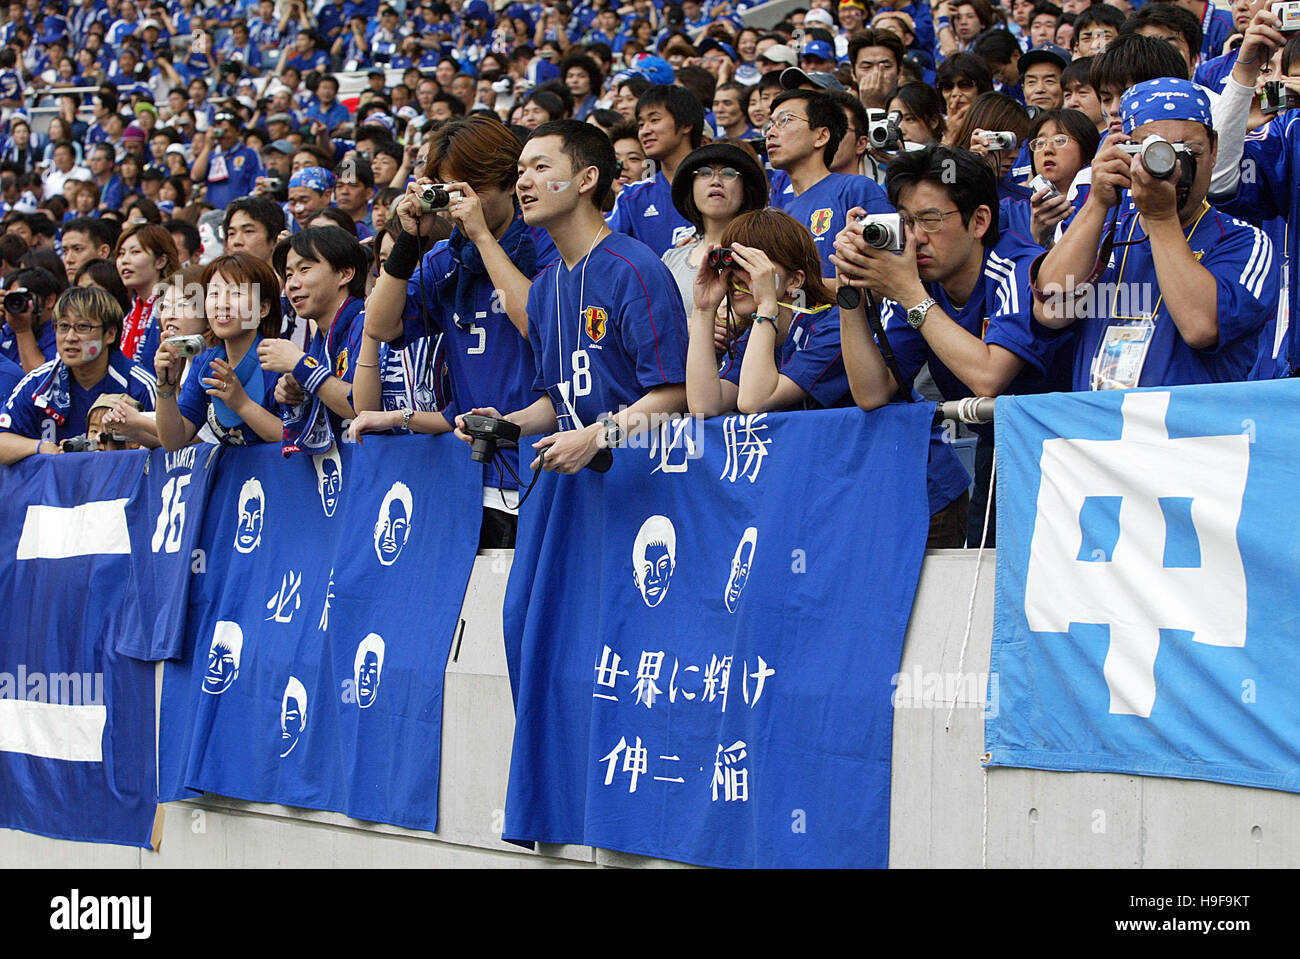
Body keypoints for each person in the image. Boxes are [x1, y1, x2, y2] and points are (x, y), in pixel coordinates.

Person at [833, 145, 1067, 544]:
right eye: (905, 222)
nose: (916, 238)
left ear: (979, 221)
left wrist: (908, 293)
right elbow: (871, 392)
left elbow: (989, 377)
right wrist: (850, 290)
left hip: (1063, 451)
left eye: (930, 219)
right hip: (998, 450)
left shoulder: (1021, 266)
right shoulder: (919, 284)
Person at [454, 120, 688, 474]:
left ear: (586, 179)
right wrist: (508, 424)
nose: (523, 182)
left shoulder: (634, 267)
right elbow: (562, 399)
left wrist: (597, 437)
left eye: (541, 167)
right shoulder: (546, 285)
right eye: (520, 171)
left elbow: (675, 394)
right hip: (581, 487)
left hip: (646, 479)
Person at [364, 115, 544, 546]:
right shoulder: (447, 256)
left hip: (543, 463)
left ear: (507, 180)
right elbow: (380, 325)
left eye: (473, 187)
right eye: (450, 188)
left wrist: (483, 235)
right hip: (471, 470)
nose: (463, 203)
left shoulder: (545, 243)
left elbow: (538, 325)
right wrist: (410, 240)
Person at [1032, 78, 1278, 390]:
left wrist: (1160, 215)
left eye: (1190, 151)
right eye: (1154, 151)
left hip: (1190, 435)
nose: (1172, 167)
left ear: (1214, 150)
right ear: (1125, 151)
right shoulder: (1103, 231)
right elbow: (1051, 309)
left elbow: (1201, 327)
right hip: (1100, 433)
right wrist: (1096, 202)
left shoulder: (1244, 242)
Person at [686, 208, 851, 418]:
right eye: (733, 263)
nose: (737, 277)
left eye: (751, 264)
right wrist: (703, 309)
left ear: (794, 281)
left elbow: (754, 401)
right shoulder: (752, 337)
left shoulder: (834, 328)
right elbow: (704, 405)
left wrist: (766, 306)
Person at [0, 286, 157, 464]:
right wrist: (43, 448)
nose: (70, 337)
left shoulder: (140, 385)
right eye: (63, 326)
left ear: (110, 334)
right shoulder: (39, 383)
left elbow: (168, 444)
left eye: (82, 327)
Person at [155, 254, 283, 448]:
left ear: (263, 308)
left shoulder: (280, 361)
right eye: (214, 293)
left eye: (236, 293)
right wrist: (165, 385)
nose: (221, 304)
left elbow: (294, 436)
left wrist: (242, 404)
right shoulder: (205, 362)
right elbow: (174, 440)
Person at [257, 227, 367, 454]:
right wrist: (296, 391)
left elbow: (364, 405)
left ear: (345, 273)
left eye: (304, 269)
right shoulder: (321, 342)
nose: (292, 284)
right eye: (288, 275)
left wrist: (302, 366)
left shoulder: (368, 327)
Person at [765, 88, 892, 275]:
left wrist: (794, 288)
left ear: (821, 136)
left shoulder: (856, 190)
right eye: (770, 125)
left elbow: (888, 276)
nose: (770, 133)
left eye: (785, 120)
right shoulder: (781, 214)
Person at [664, 142, 768, 315]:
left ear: (745, 190)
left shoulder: (764, 254)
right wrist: (689, 327)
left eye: (728, 174)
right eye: (705, 173)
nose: (716, 181)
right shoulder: (671, 259)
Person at [606, 84, 702, 255]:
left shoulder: (717, 187)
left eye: (654, 120)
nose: (645, 131)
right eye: (641, 124)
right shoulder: (631, 197)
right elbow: (602, 254)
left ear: (686, 125)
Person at [115, 223, 179, 371]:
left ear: (160, 261)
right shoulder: (127, 319)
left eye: (135, 252)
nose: (124, 260)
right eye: (121, 253)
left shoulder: (173, 312)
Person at [191, 110, 264, 212]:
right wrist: (207, 146)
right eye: (219, 131)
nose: (222, 135)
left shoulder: (249, 154)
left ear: (238, 131)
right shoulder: (211, 154)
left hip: (240, 212)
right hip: (213, 213)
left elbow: (257, 183)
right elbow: (195, 176)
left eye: (227, 131)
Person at [0, 266, 63, 372]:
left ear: (49, 300)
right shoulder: (8, 329)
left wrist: (23, 331)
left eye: (24, 296)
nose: (17, 304)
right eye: (12, 297)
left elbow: (43, 380)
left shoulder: (61, 332)